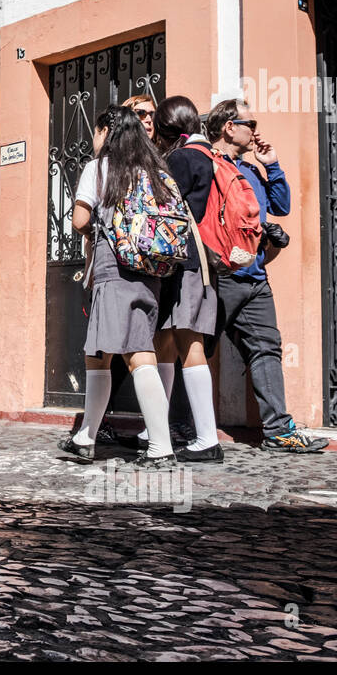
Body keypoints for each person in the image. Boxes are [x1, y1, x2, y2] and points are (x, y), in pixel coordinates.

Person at [203, 99, 328, 453]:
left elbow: (282, 204)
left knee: (266, 348)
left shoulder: (251, 170)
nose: (255, 130)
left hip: (255, 278)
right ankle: (165, 426)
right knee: (193, 348)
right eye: (250, 122)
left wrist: (271, 166)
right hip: (221, 277)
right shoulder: (209, 166)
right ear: (229, 127)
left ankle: (277, 431)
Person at [58, 106, 177, 468]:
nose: (93, 140)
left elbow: (80, 219)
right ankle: (86, 436)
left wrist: (95, 228)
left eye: (95, 132)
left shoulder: (99, 169)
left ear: (106, 131)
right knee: (98, 353)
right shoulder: (154, 171)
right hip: (149, 269)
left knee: (136, 352)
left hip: (113, 266)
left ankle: (160, 446)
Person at [149, 96, 223, 462]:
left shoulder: (181, 158)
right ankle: (156, 424)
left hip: (183, 262)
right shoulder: (212, 156)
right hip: (202, 263)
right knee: (166, 339)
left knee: (187, 342)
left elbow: (167, 210)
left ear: (166, 130)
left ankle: (207, 438)